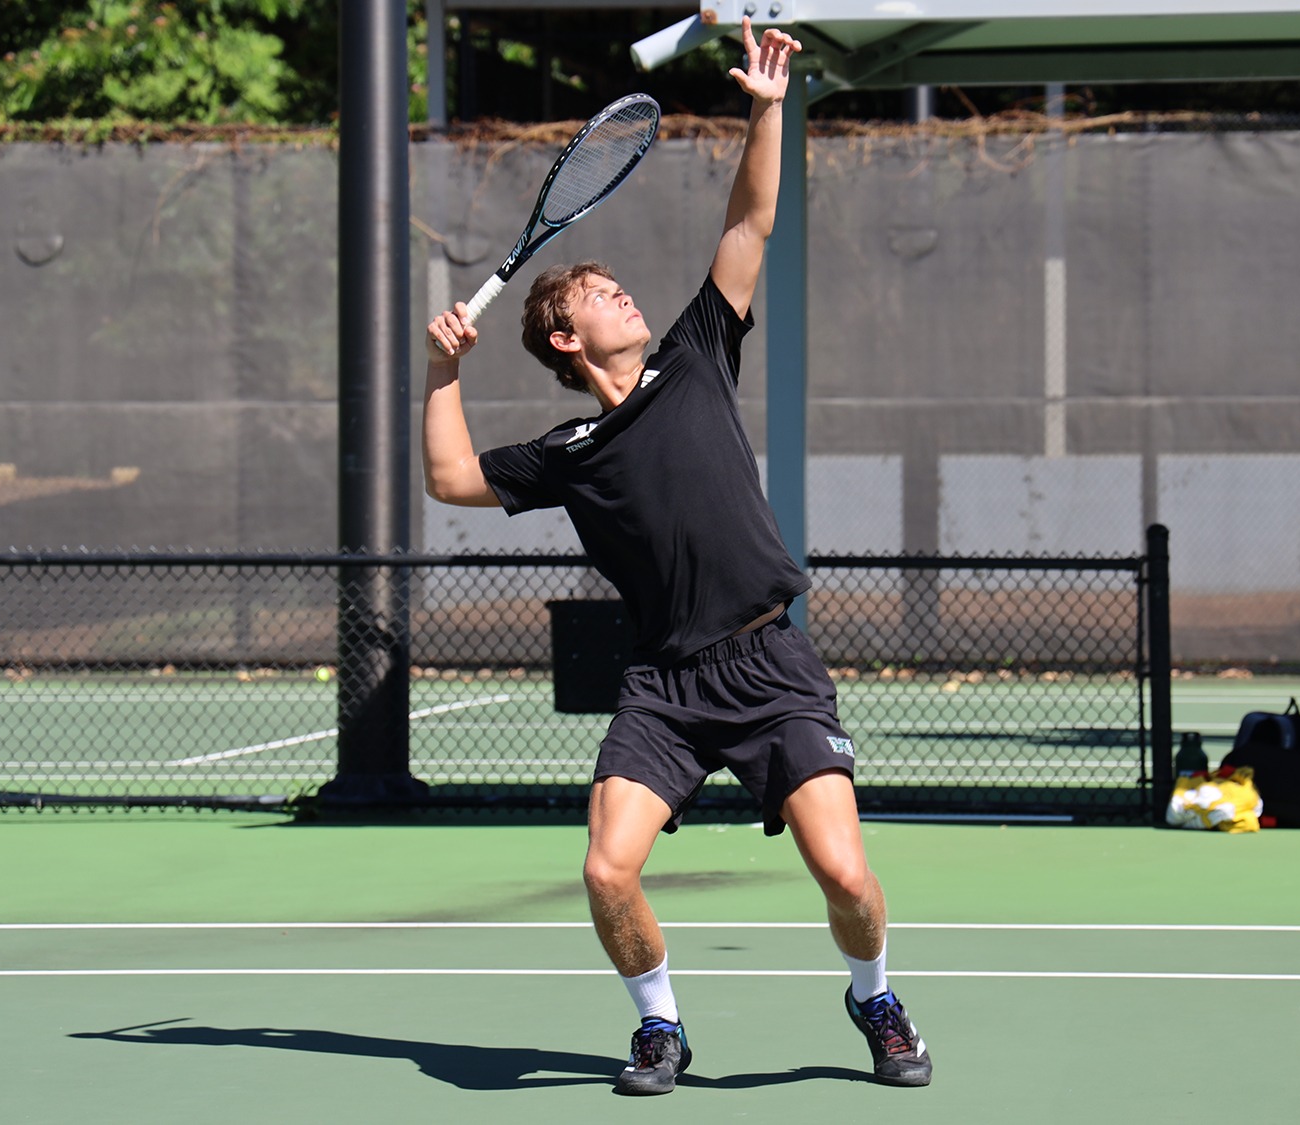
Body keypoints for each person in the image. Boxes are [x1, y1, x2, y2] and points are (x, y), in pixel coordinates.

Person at [419, 20, 931, 1097]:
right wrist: (440, 374)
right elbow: (451, 480)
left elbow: (749, 221)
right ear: (564, 338)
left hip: (769, 665)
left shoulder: (695, 357)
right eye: (600, 297)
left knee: (843, 872)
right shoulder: (562, 451)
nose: (626, 299)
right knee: (606, 870)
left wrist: (764, 106)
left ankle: (874, 998)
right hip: (662, 685)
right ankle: (659, 1029)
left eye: (619, 290)